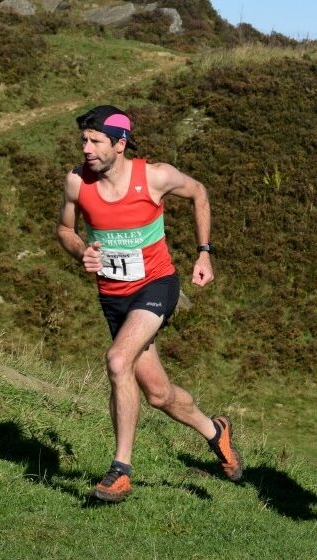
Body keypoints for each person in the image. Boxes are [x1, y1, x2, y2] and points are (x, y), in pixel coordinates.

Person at [56, 105, 241, 502]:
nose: (86, 149)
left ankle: (120, 470)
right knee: (158, 394)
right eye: (84, 141)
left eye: (95, 141)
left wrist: (204, 253)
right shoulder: (76, 181)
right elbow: (65, 229)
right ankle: (216, 432)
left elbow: (199, 192)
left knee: (117, 360)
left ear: (119, 144)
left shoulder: (154, 177)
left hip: (157, 285)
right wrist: (81, 251)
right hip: (113, 297)